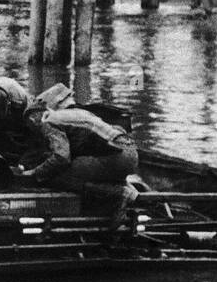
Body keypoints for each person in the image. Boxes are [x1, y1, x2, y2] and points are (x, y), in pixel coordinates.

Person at [19, 83, 139, 224]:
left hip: (114, 157)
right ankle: (131, 192)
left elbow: (61, 157)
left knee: (57, 175)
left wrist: (35, 173)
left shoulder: (48, 121)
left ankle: (118, 194)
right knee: (82, 165)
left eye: (31, 125)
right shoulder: (81, 113)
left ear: (33, 119)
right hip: (131, 154)